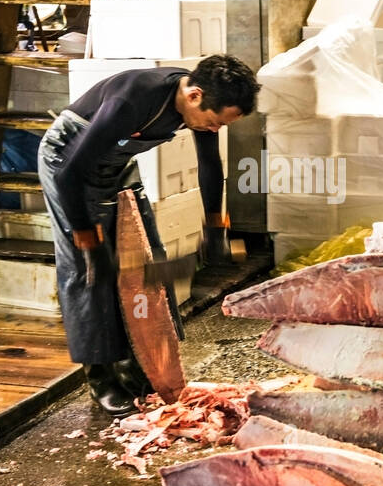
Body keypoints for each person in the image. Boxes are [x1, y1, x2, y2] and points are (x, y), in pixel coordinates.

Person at [38, 54, 258, 416]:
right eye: (215, 122)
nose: (214, 129)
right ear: (194, 96)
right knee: (90, 272)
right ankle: (102, 382)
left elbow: (209, 163)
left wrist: (216, 226)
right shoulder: (131, 100)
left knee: (144, 266)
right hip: (67, 161)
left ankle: (139, 369)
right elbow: (69, 175)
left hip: (115, 163)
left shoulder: (200, 107)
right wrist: (87, 238)